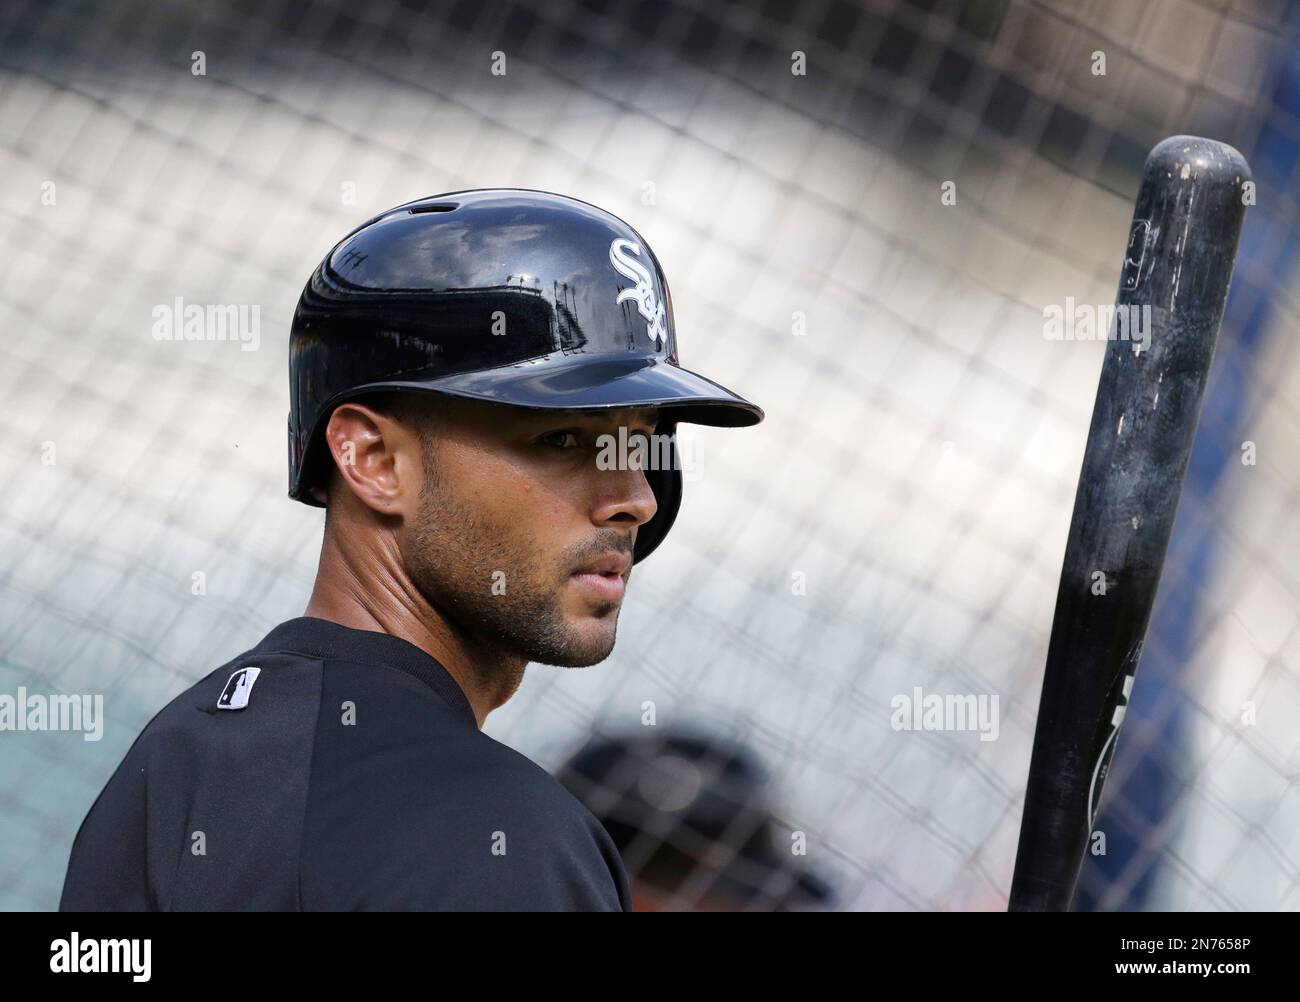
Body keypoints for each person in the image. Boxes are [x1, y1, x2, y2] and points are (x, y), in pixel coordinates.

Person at [58, 189, 763, 911]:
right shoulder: (502, 837)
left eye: (637, 440)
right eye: (561, 439)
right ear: (374, 460)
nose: (636, 497)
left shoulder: (169, 767)